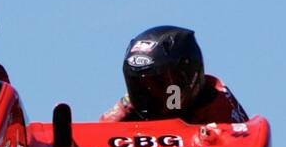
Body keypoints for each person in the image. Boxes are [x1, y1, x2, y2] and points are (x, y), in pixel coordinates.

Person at [100, 25, 247, 123]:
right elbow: (98, 136)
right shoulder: (130, 106)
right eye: (140, 86)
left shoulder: (221, 110)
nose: (150, 93)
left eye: (159, 84)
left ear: (188, 78)